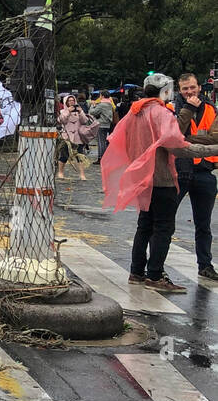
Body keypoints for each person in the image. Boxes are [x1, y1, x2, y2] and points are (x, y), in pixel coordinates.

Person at [101, 72, 214, 294]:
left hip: (141, 178)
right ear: (166, 91)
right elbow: (177, 145)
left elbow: (116, 139)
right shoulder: (161, 113)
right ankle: (154, 275)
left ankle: (136, 272)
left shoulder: (133, 113)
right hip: (162, 178)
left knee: (144, 225)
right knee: (163, 227)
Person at [175, 73, 218, 280]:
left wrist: (187, 140)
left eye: (192, 87)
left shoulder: (211, 109)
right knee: (164, 222)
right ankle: (155, 268)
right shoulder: (172, 108)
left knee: (204, 224)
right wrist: (189, 109)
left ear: (199, 87)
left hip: (204, 170)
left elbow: (215, 138)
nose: (189, 92)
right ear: (179, 90)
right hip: (179, 170)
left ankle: (205, 265)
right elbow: (174, 135)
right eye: (185, 89)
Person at [57, 93, 92, 181]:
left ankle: (82, 174)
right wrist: (68, 111)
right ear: (66, 102)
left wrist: (80, 112)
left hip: (78, 137)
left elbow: (85, 121)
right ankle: (60, 172)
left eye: (73, 100)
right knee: (64, 155)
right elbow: (62, 120)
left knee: (80, 155)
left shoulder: (79, 111)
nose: (72, 102)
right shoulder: (63, 111)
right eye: (69, 101)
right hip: (67, 137)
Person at [88, 90, 115, 162]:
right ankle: (104, 157)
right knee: (103, 141)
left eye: (100, 95)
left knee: (101, 141)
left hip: (101, 124)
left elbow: (93, 112)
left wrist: (92, 106)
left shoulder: (102, 104)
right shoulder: (109, 103)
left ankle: (101, 158)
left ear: (102, 96)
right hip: (107, 124)